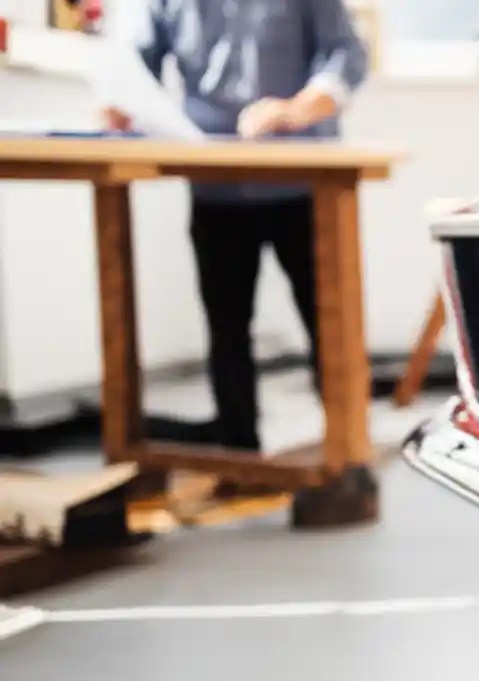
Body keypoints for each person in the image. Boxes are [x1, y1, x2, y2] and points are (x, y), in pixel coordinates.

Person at [101, 0, 369, 452]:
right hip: (215, 184)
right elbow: (137, 62)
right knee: (226, 327)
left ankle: (348, 455)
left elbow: (347, 55)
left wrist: (297, 108)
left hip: (303, 183)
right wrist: (120, 105)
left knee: (328, 323)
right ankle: (238, 453)